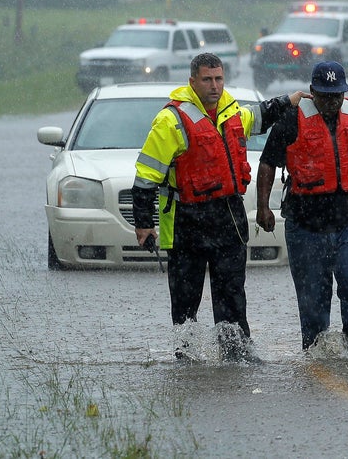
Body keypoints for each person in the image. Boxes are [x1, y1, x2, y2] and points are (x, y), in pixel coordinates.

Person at [131, 52, 306, 361]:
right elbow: (146, 176)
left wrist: (288, 101)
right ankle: (187, 357)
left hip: (227, 215)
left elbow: (260, 116)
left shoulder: (231, 111)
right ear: (192, 81)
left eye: (219, 79)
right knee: (186, 298)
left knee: (232, 293)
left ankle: (236, 354)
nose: (214, 86)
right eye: (207, 80)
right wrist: (144, 224)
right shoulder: (170, 120)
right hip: (187, 219)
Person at [255, 61, 348, 351]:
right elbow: (267, 163)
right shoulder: (291, 121)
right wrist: (263, 207)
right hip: (305, 223)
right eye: (325, 95)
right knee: (313, 296)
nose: (332, 101)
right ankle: (318, 353)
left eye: (337, 95)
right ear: (312, 92)